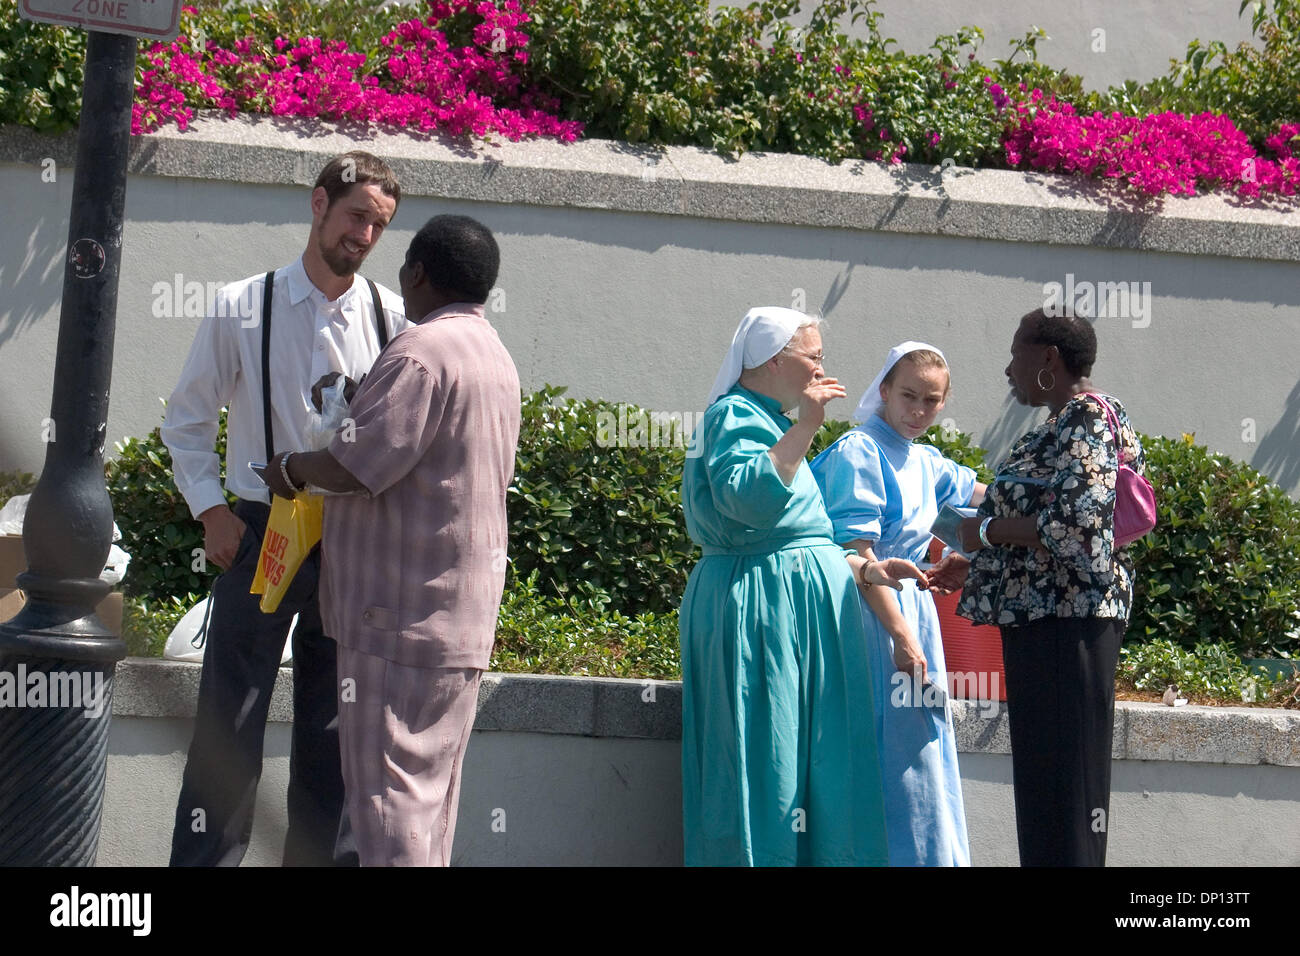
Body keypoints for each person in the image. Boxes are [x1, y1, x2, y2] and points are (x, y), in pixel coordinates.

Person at [161, 151, 407, 866]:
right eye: (357, 215)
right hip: (261, 527)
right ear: (318, 204)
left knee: (335, 726)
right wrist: (212, 512)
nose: (364, 235)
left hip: (350, 540)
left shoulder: (392, 317)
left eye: (379, 225)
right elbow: (187, 418)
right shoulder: (245, 303)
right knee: (229, 720)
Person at [263, 214, 520, 867]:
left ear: (418, 273)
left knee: (388, 808)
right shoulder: (494, 355)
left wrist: (291, 469)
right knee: (431, 808)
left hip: (397, 621)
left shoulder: (420, 353)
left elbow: (355, 464)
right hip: (456, 623)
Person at [679, 307, 929, 866]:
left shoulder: (768, 418)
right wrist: (807, 426)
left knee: (813, 765)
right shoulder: (734, 417)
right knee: (766, 761)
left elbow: (807, 538)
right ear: (773, 359)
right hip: (761, 611)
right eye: (813, 357)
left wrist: (869, 571)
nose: (822, 369)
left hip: (799, 614)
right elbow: (746, 499)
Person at [952, 308, 1145, 867]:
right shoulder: (1064, 423)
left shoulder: (1083, 419)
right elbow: (1054, 525)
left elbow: (1078, 527)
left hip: (1068, 625)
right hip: (1048, 623)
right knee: (1047, 787)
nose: (1008, 368)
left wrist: (983, 530)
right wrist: (977, 561)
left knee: (1066, 790)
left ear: (1048, 360)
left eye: (1017, 353)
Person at [809, 342, 986, 866]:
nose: (918, 410)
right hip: (867, 618)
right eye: (908, 395)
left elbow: (990, 499)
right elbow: (856, 554)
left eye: (931, 401)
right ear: (884, 390)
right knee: (880, 749)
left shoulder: (925, 459)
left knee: (918, 750)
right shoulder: (859, 452)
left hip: (913, 614)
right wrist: (901, 636)